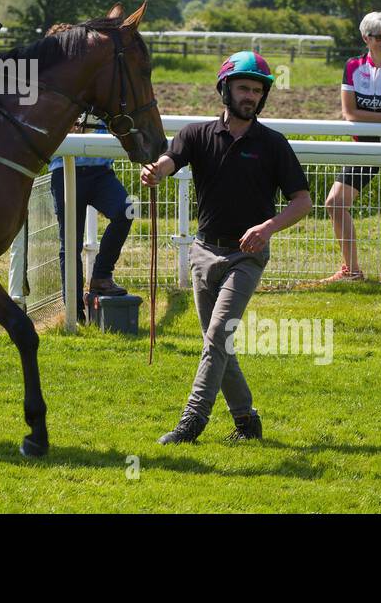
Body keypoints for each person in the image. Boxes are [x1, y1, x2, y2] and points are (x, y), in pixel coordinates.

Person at [141, 51, 312, 445]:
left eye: (256, 90)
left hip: (246, 257)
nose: (250, 96)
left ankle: (191, 422)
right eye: (243, 88)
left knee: (218, 335)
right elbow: (170, 160)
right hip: (203, 253)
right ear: (225, 89)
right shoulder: (195, 134)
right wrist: (155, 172)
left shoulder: (273, 144)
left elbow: (302, 201)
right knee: (218, 343)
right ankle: (247, 422)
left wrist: (268, 228)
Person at [45, 23, 132, 321]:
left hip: (99, 171)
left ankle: (101, 276)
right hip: (64, 173)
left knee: (127, 210)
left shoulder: (93, 80)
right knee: (70, 242)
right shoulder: (49, 86)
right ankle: (74, 312)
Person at [322, 11, 381, 286]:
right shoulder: (352, 66)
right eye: (379, 37)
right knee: (335, 203)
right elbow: (349, 113)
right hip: (364, 145)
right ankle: (351, 269)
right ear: (366, 38)